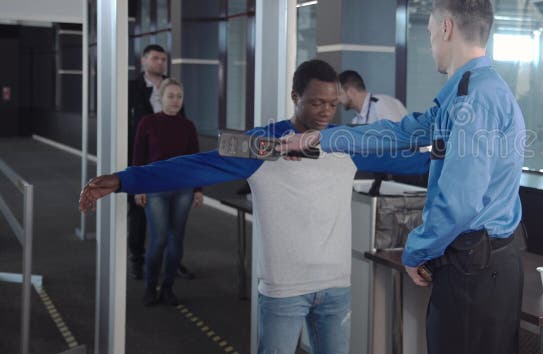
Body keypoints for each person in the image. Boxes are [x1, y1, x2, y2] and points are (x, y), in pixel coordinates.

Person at [79, 60, 429, 354]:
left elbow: (411, 162)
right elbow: (193, 166)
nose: (325, 112)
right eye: (316, 102)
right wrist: (124, 180)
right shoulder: (262, 145)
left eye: (332, 103)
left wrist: (467, 161)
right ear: (295, 97)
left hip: (336, 287)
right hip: (284, 290)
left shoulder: (345, 143)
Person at [279, 0, 526, 354]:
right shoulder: (467, 93)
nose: (430, 45)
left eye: (428, 34)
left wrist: (417, 249)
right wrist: (323, 139)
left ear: (446, 28)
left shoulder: (474, 100)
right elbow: (401, 133)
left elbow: (460, 202)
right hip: (480, 260)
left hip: (476, 266)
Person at [132, 78, 203, 306]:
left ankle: (168, 288)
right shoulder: (148, 122)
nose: (175, 101)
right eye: (170, 96)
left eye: (179, 97)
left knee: (176, 240)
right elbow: (138, 158)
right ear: (160, 98)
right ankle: (151, 287)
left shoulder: (188, 126)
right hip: (155, 189)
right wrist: (138, 187)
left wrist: (198, 189)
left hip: (183, 190)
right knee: (159, 239)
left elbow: (195, 161)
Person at [128, 44, 194, 281]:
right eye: (155, 58)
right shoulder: (132, 88)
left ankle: (172, 263)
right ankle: (138, 260)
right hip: (145, 162)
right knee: (138, 215)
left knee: (173, 228)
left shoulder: (172, 87)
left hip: (174, 170)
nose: (160, 63)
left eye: (163, 59)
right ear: (144, 60)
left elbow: (182, 123)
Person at [338, 70, 408, 124]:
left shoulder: (381, 104)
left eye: (339, 94)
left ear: (351, 92)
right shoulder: (356, 120)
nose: (338, 99)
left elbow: (398, 137)